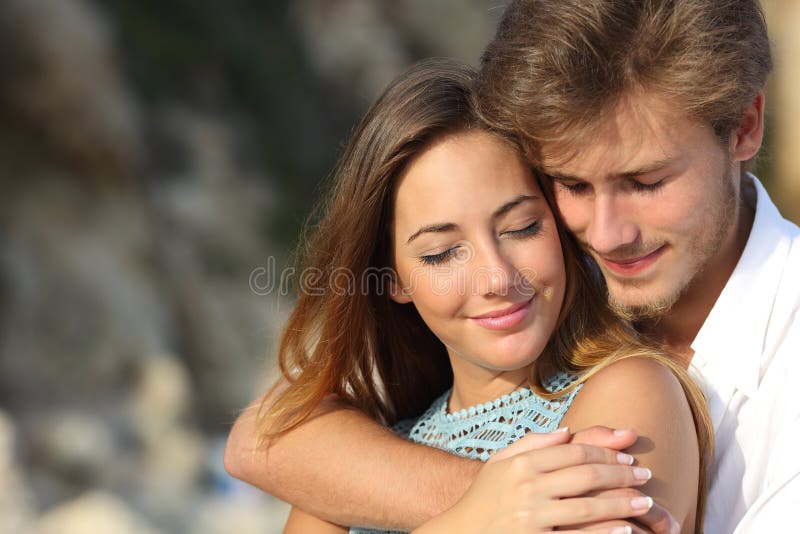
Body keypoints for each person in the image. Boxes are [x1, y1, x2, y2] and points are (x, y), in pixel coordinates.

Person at [226, 0, 800, 532]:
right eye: (572, 184)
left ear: (746, 126)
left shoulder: (665, 376)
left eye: (646, 182)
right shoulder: (556, 291)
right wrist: (491, 506)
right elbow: (259, 440)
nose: (606, 236)